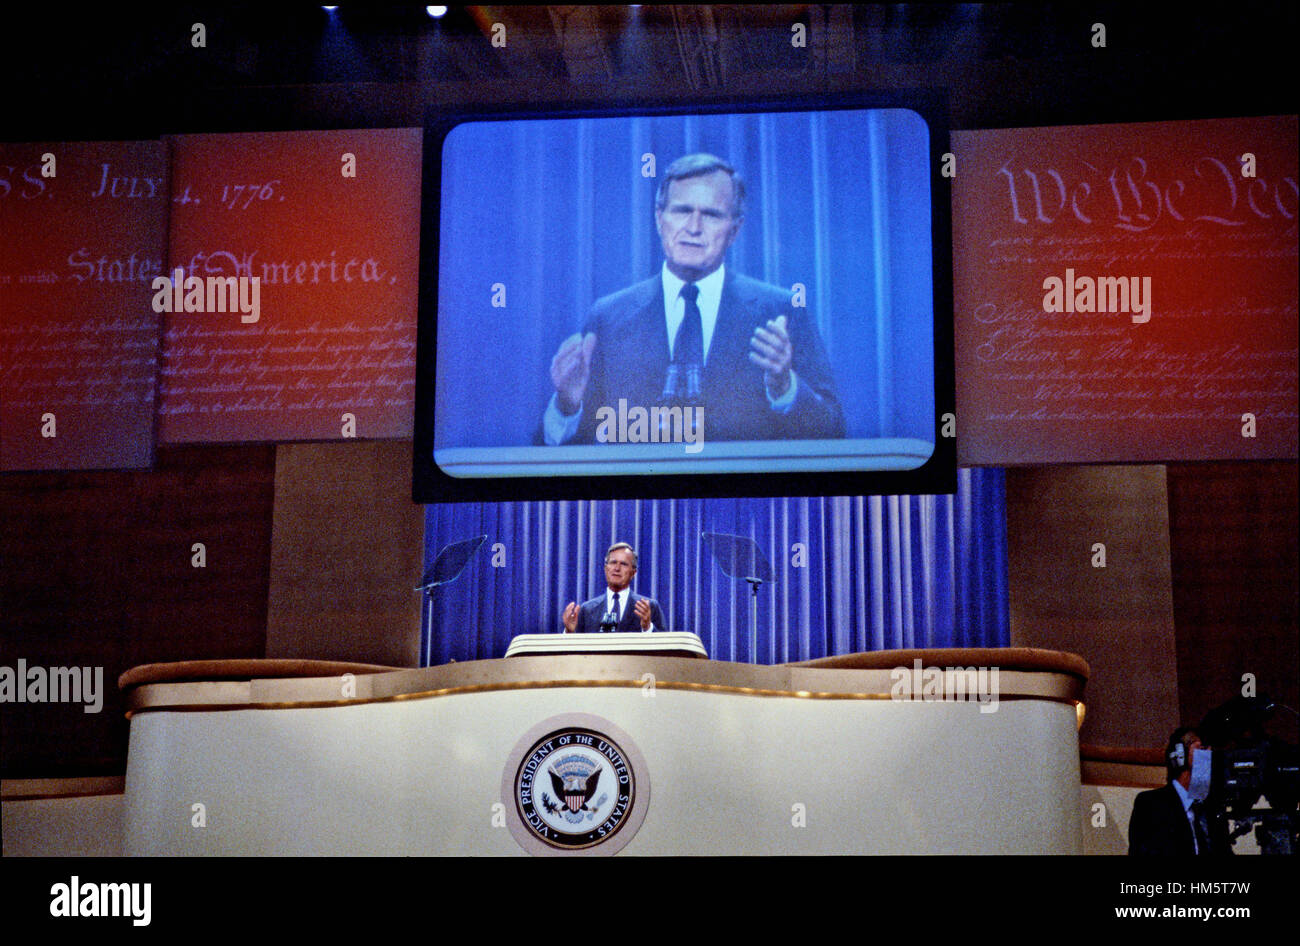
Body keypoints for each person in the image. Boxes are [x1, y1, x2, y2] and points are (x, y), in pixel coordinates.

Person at [541, 153, 844, 446]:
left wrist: (785, 387)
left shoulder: (780, 311)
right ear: (660, 219)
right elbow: (559, 462)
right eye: (682, 211)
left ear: (735, 230)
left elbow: (834, 434)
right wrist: (567, 404)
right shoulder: (608, 316)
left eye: (711, 214)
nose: (694, 227)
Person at [1128, 726, 1227, 856]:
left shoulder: (1212, 808)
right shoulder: (1151, 804)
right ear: (1179, 756)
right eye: (1202, 749)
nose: (1209, 756)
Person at [563, 542, 666, 633]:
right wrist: (569, 632)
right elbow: (575, 650)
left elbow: (664, 648)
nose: (617, 568)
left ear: (633, 572)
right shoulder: (587, 610)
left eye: (624, 564)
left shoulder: (649, 608)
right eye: (613, 562)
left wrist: (647, 627)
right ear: (605, 568)